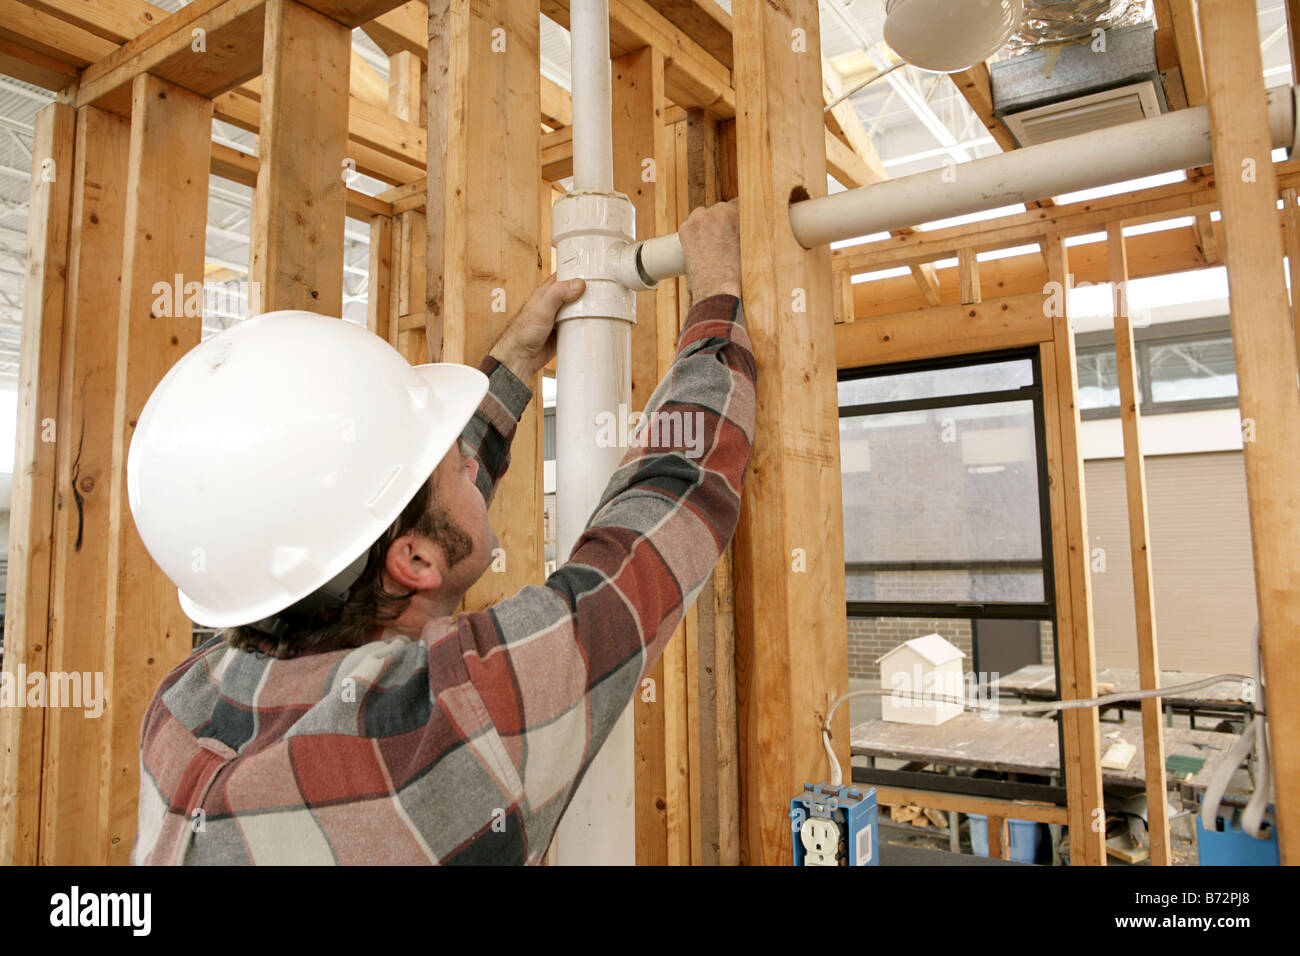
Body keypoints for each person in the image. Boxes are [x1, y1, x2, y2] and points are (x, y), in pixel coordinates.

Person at [129, 199, 753, 865]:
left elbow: (397, 530)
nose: (467, 457)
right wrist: (718, 296)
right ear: (415, 560)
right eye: (451, 458)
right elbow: (663, 507)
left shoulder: (183, 704)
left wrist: (513, 360)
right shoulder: (441, 721)